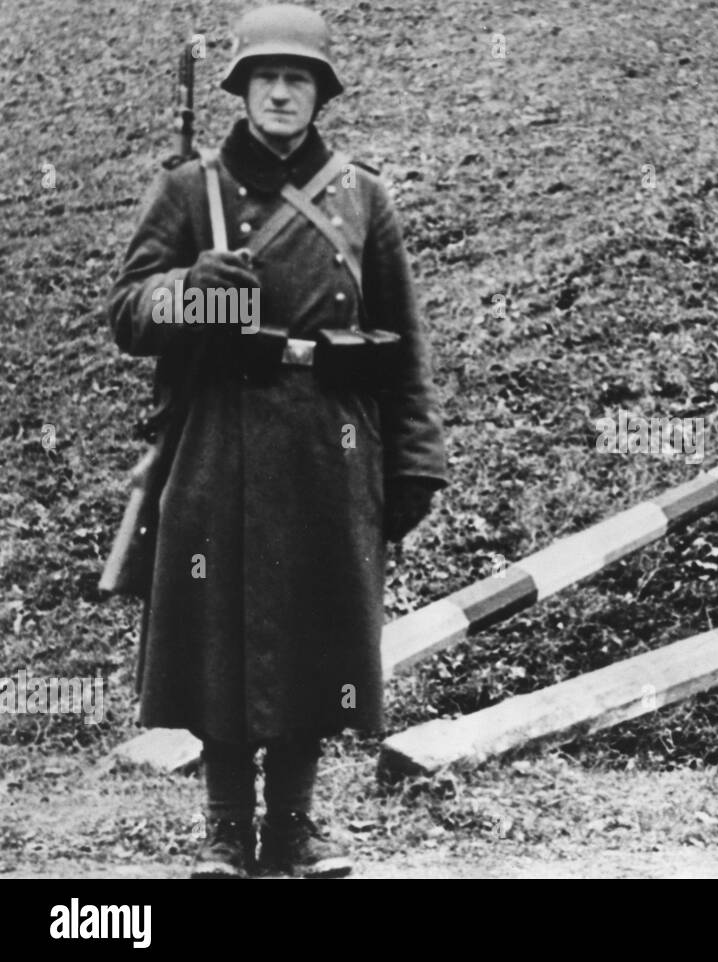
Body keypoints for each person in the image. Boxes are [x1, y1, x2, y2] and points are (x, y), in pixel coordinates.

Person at [106, 3, 448, 878]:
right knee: (221, 630)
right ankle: (227, 832)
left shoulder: (363, 195)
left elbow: (402, 339)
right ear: (243, 90)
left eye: (300, 79)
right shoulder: (192, 189)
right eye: (269, 78)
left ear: (320, 92)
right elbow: (127, 314)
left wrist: (414, 458)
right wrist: (191, 288)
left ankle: (295, 829)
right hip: (219, 434)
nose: (284, 93)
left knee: (317, 634)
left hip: (330, 436)